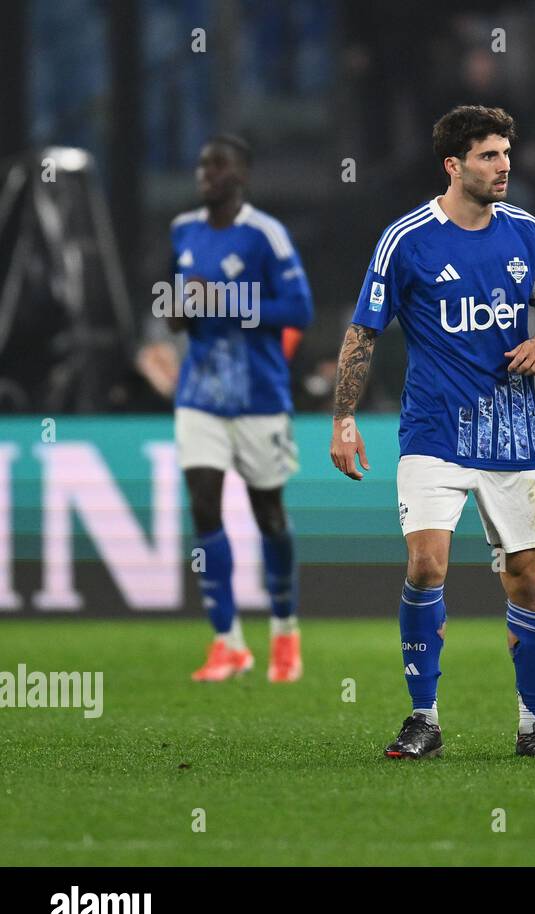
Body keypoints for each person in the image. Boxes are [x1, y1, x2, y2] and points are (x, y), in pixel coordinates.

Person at [329, 105, 535, 759]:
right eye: (489, 156)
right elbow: (363, 332)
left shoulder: (527, 233)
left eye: (506, 154)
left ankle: (534, 726)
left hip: (512, 433)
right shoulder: (407, 239)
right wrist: (343, 417)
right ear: (454, 165)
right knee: (426, 564)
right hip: (433, 432)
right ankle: (424, 718)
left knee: (526, 577)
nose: (504, 166)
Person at [171, 134, 313, 683]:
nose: (206, 172)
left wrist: (225, 300)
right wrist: (178, 312)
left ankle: (284, 629)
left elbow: (297, 308)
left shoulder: (265, 234)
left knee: (267, 516)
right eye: (203, 163)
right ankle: (227, 641)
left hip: (258, 397)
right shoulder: (183, 229)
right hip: (200, 395)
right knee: (204, 505)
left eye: (219, 165)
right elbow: (177, 302)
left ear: (242, 176)